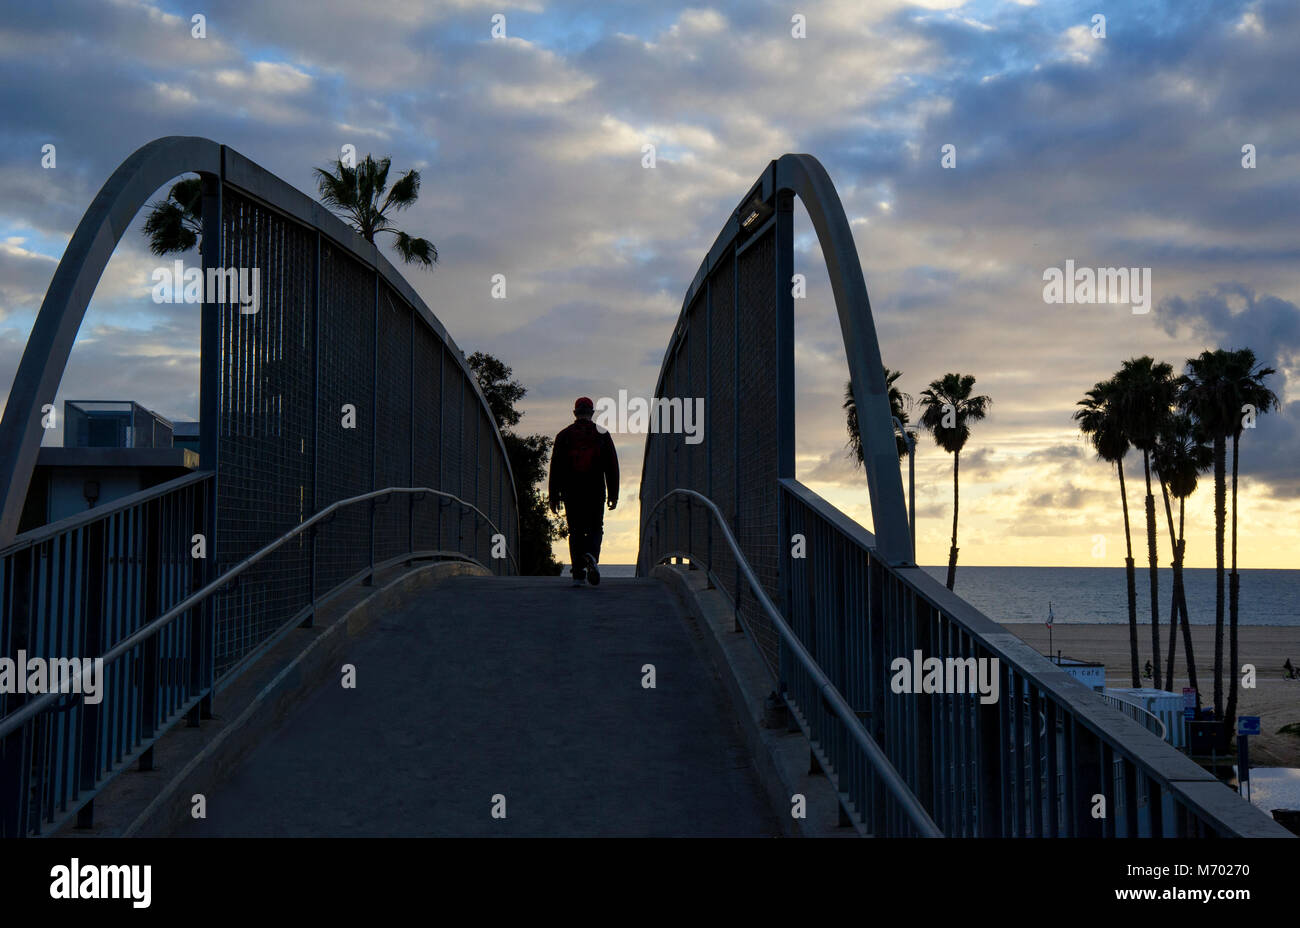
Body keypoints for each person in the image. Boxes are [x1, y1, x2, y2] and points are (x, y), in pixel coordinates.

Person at [548, 397, 619, 586]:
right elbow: (612, 466)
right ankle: (591, 555)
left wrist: (554, 496)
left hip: (572, 491)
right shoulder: (602, 434)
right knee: (596, 527)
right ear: (592, 412)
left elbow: (556, 468)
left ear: (575, 413)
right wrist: (613, 494)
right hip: (595, 489)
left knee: (575, 531)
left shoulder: (563, 435)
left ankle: (578, 573)